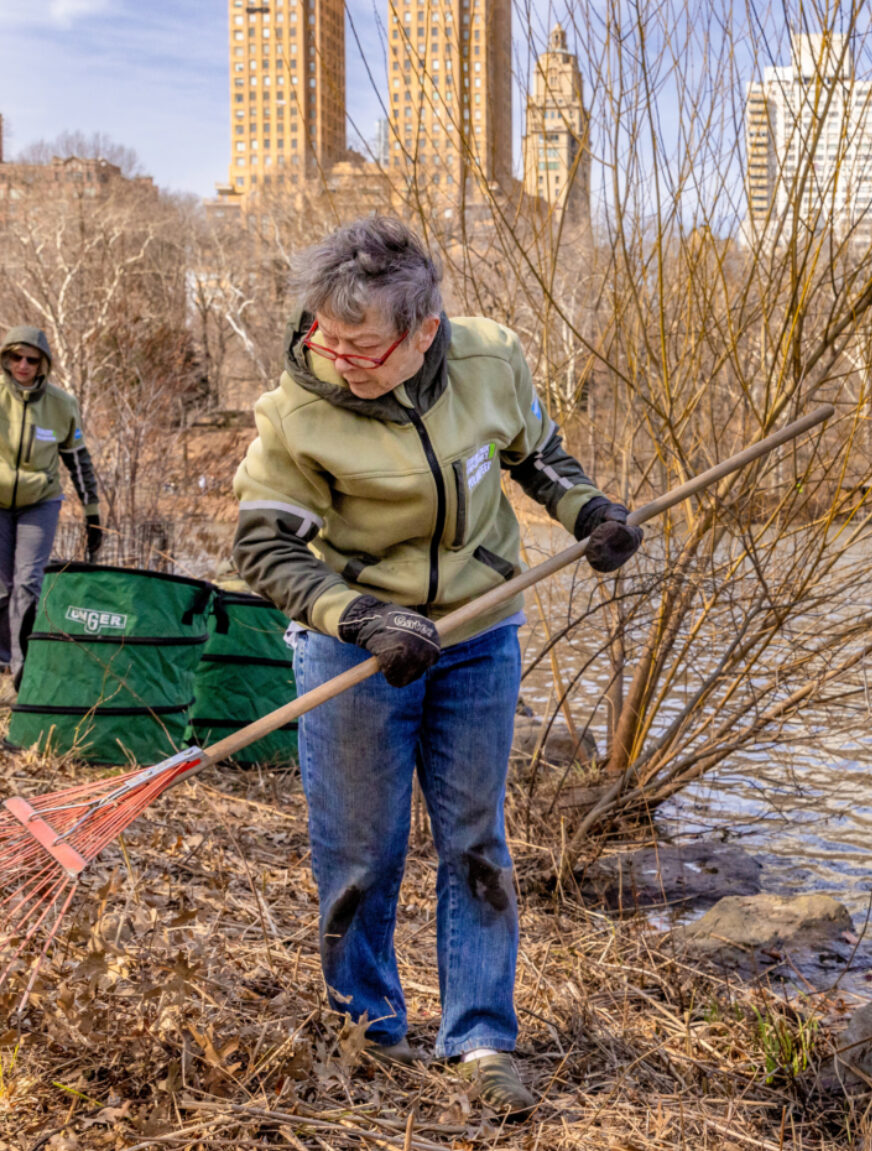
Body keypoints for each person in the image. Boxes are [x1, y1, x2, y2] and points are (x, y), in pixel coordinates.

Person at [230, 216, 641, 1113]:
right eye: (326, 338)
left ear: (424, 331)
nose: (339, 359)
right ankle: (366, 1027)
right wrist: (361, 617)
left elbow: (538, 457)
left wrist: (589, 514)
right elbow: (264, 547)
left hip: (476, 633)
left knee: (475, 842)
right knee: (359, 851)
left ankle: (481, 1037)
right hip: (353, 643)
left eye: (363, 346)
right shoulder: (295, 413)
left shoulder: (491, 359)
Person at [0, 327, 105, 677]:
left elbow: (79, 462)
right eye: (16, 357)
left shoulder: (62, 405)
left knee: (29, 581)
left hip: (40, 500)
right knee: (0, 585)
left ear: (43, 363)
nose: (24, 365)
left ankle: (23, 665)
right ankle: (2, 659)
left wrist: (92, 514)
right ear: (6, 358)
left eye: (32, 359)